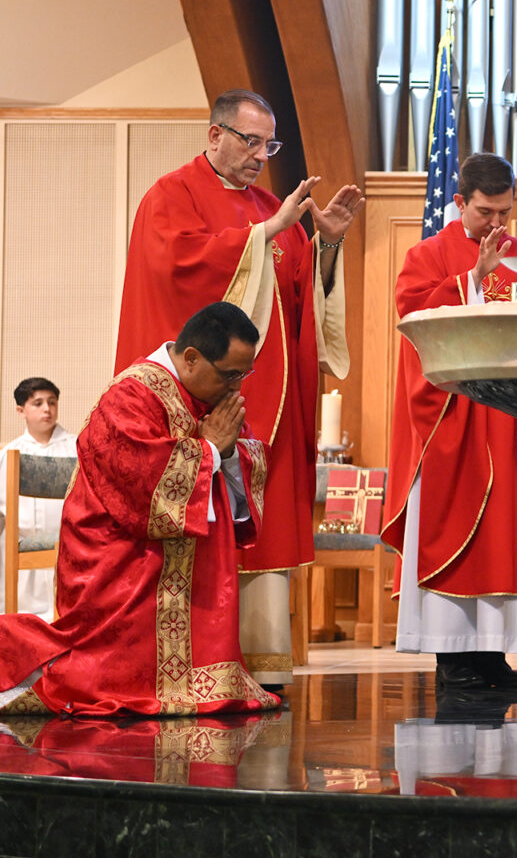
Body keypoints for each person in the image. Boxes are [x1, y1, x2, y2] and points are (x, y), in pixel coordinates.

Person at [115, 89, 362, 689]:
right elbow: (175, 269)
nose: (260, 155)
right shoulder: (170, 196)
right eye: (250, 141)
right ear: (214, 135)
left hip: (266, 405)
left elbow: (298, 295)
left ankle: (263, 668)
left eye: (267, 144)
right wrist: (260, 236)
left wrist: (324, 243)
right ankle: (195, 667)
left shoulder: (269, 204)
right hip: (198, 407)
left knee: (263, 520)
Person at [0, 303, 278, 717]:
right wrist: (208, 452)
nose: (237, 388)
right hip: (117, 554)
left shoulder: (211, 394)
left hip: (178, 558)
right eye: (230, 374)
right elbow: (142, 485)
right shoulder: (129, 398)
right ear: (191, 358)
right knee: (92, 672)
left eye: (244, 374)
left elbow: (237, 453)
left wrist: (226, 454)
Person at [383, 153, 517, 696]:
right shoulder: (428, 254)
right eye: (486, 212)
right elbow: (414, 319)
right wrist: (473, 278)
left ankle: (492, 657)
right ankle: (453, 659)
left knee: (507, 535)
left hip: (511, 423)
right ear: (460, 202)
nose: (497, 225)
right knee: (459, 529)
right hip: (455, 421)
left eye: (505, 212)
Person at [0, 378, 77, 618]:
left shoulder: (77, 447)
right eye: (38, 403)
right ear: (21, 410)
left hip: (68, 545)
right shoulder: (9, 453)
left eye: (52, 402)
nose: (47, 409)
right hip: (19, 548)